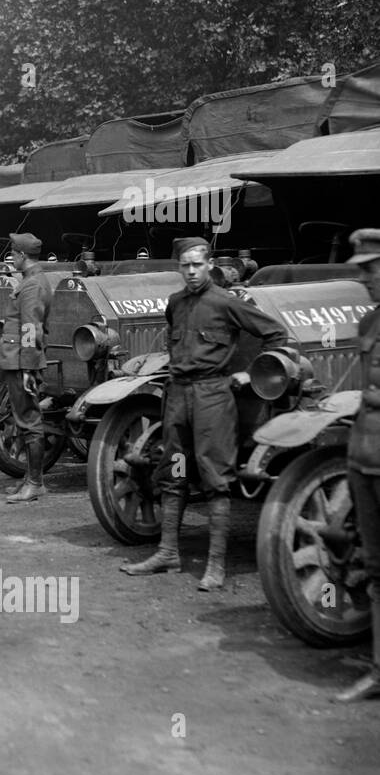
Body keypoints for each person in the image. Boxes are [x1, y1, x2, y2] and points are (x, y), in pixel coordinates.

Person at [121, 236, 287, 589]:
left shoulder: (225, 303)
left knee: (215, 477)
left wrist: (249, 371)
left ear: (209, 264)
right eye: (185, 265)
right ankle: (168, 552)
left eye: (198, 264)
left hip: (213, 399)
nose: (192, 271)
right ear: (179, 267)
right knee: (175, 470)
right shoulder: (176, 303)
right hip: (179, 398)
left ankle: (215, 565)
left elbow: (275, 334)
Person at [337, 228, 380, 701]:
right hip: (365, 459)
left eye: (371, 268)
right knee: (375, 569)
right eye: (361, 270)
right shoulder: (368, 324)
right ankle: (378, 671)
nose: (365, 277)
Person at [0, 232, 54, 503]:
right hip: (15, 358)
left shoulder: (33, 285)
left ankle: (35, 483)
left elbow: (31, 328)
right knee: (23, 420)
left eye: (13, 254)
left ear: (21, 256)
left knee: (29, 421)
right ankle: (29, 479)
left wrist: (29, 368)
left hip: (22, 360)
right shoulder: (30, 281)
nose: (12, 258)